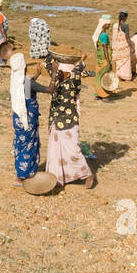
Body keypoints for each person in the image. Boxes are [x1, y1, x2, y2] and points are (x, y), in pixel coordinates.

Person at [3, 41, 51, 186]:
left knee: (21, 145)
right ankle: (25, 176)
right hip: (28, 120)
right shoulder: (27, 83)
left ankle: (20, 174)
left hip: (18, 118)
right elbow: (50, 90)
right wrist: (54, 74)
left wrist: (36, 75)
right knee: (29, 146)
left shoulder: (15, 80)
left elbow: (28, 86)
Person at [44, 53, 93, 187]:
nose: (59, 73)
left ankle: (86, 174)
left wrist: (82, 59)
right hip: (56, 119)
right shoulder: (56, 79)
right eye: (58, 71)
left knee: (73, 150)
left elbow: (78, 70)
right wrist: (52, 54)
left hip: (69, 121)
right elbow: (47, 64)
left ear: (68, 73)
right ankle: (58, 177)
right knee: (56, 151)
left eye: (62, 72)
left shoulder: (74, 82)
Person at [111, 11, 134, 82]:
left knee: (119, 62)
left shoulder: (115, 25)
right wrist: (132, 47)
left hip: (117, 47)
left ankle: (119, 76)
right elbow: (127, 38)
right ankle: (126, 77)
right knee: (126, 62)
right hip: (124, 48)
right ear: (125, 18)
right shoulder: (125, 26)